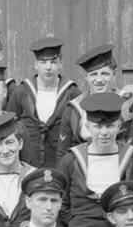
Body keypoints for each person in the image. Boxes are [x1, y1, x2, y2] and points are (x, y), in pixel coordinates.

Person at [56, 92, 133, 227]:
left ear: (119, 125)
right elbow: (61, 204)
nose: (104, 133)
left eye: (110, 126)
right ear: (88, 126)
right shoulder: (72, 159)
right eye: (97, 126)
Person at [12, 37, 81, 168]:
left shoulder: (72, 93)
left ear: (61, 64)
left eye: (53, 62)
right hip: (27, 165)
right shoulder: (22, 92)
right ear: (36, 64)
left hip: (61, 165)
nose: (48, 67)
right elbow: (12, 128)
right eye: (43, 62)